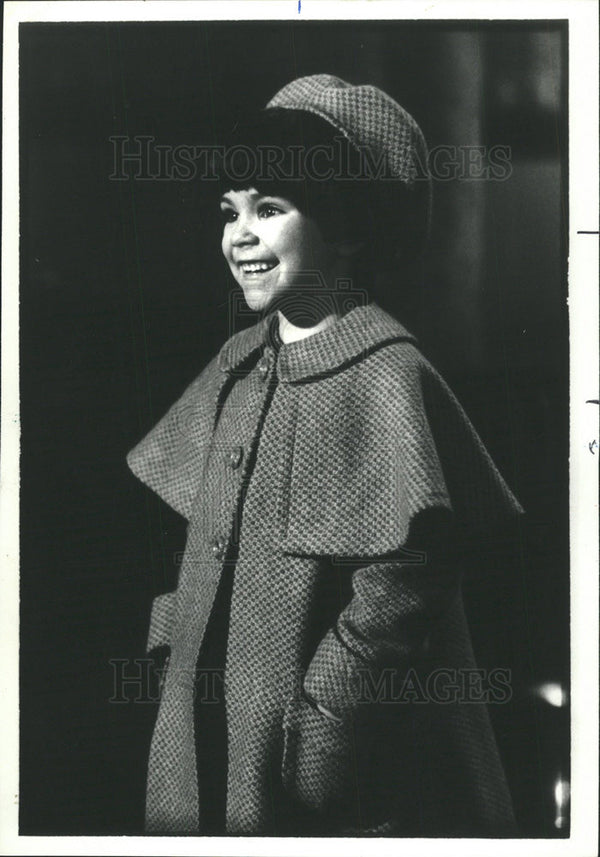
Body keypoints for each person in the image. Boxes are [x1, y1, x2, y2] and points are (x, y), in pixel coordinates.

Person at [127, 74, 524, 837]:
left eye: (270, 210)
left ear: (350, 228)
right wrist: (171, 642)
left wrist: (327, 726)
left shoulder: (385, 369)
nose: (239, 235)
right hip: (211, 724)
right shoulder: (238, 363)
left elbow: (408, 577)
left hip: (331, 765)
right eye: (230, 212)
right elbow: (196, 528)